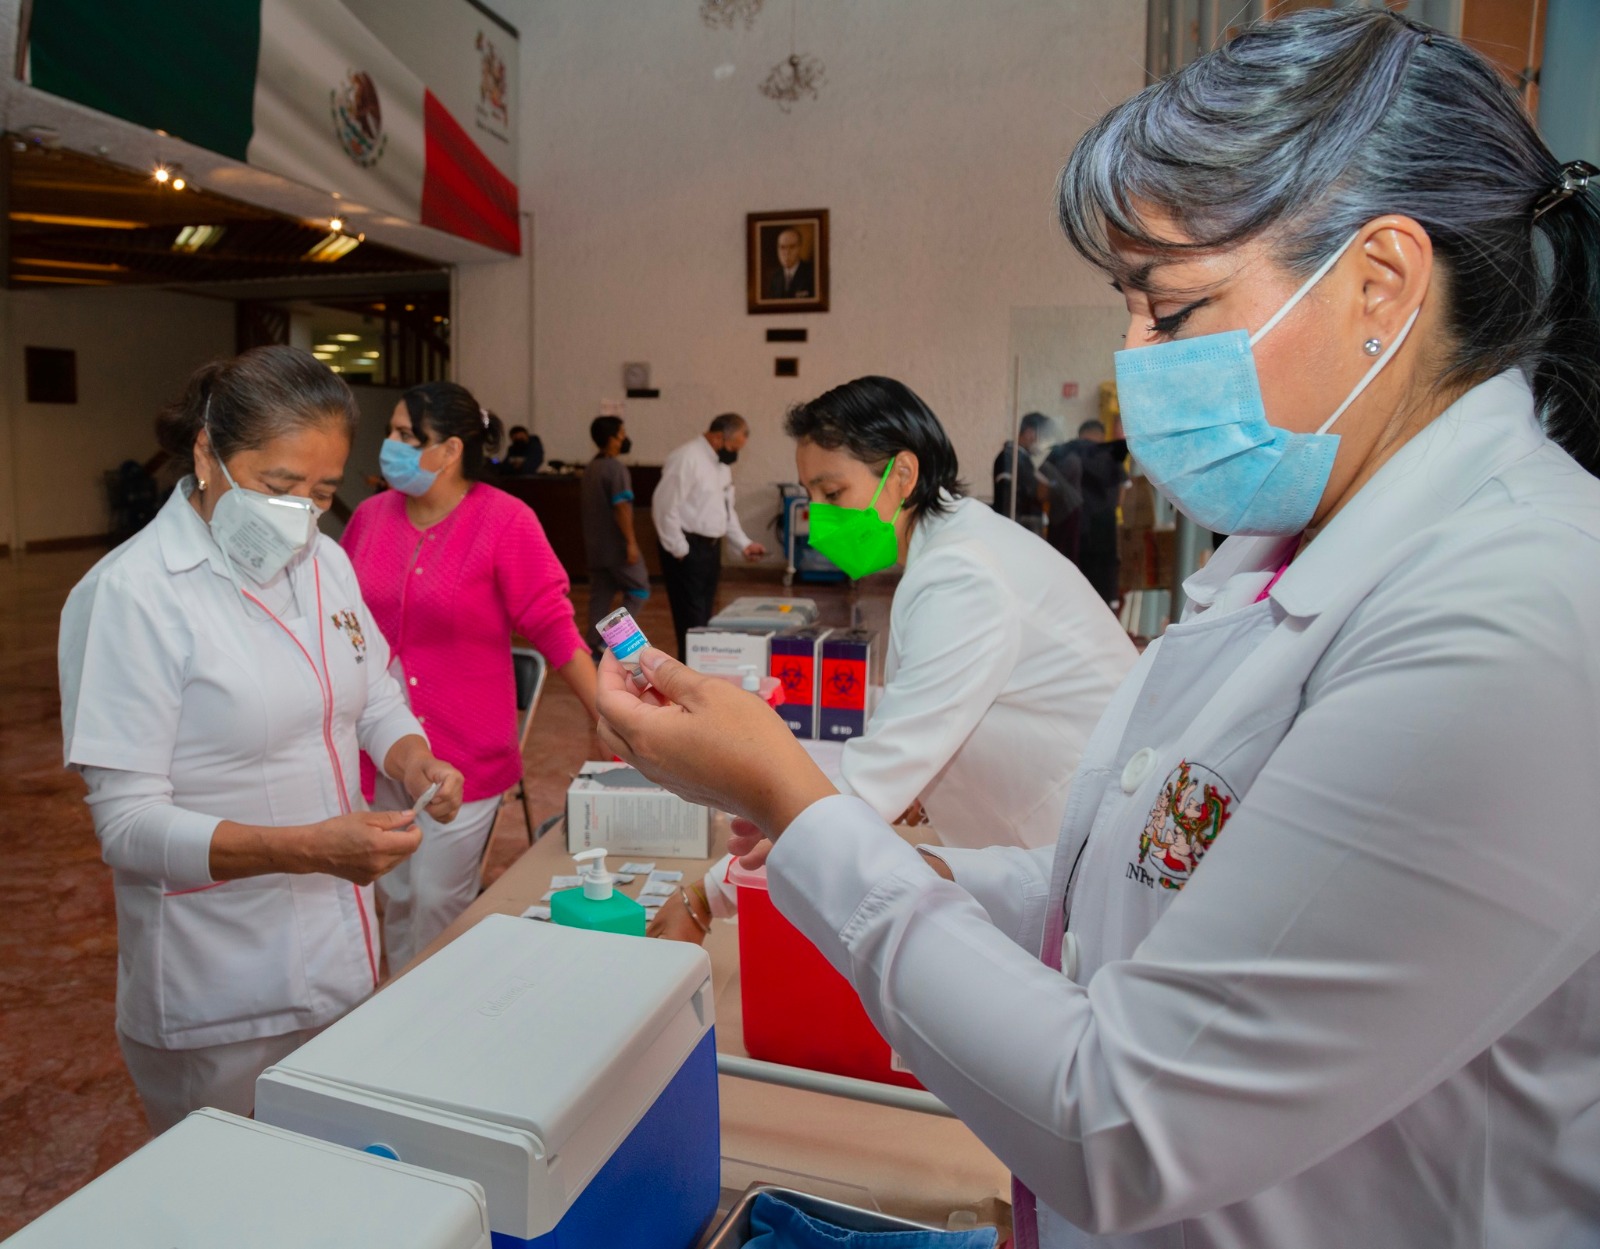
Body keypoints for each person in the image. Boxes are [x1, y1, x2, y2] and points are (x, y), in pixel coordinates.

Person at [595, 11, 1600, 1245]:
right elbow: (1124, 885)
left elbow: (1126, 1119)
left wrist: (788, 802)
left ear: (1379, 284)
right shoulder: (1284, 556)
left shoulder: (1517, 613)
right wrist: (900, 862)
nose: (1132, 361)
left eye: (1167, 313)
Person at [58, 346, 465, 1133]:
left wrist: (412, 757)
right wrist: (307, 847)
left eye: (323, 491)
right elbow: (129, 826)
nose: (299, 513)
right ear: (206, 454)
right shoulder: (130, 596)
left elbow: (374, 690)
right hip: (218, 990)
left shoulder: (325, 563)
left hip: (340, 958)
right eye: (278, 486)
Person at [651, 377, 1135, 942]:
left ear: (902, 475)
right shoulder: (954, 549)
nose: (818, 516)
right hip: (1052, 839)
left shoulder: (963, 573)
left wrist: (707, 896)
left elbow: (871, 782)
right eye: (811, 496)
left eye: (833, 493)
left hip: (1086, 854)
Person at [341, 381, 597, 968]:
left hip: (464, 747)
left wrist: (607, 715)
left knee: (437, 902)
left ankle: (433, 1006)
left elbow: (553, 624)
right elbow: (340, 614)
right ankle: (399, 1006)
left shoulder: (504, 521)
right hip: (375, 743)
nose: (390, 444)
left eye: (407, 435)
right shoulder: (372, 517)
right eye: (391, 432)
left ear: (451, 449)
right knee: (394, 895)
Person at [652, 413, 767, 657]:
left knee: (704, 616)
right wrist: (680, 550)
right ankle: (687, 670)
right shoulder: (687, 459)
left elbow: (726, 510)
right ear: (717, 437)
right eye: (733, 448)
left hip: (711, 548)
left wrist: (743, 543)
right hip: (687, 547)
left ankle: (698, 667)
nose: (734, 454)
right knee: (690, 619)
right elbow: (664, 507)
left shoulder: (721, 465)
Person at [581, 415, 650, 653]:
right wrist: (631, 542)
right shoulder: (615, 469)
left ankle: (592, 647)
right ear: (612, 439)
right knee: (640, 589)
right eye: (621, 434)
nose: (625, 438)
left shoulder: (591, 468)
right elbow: (621, 508)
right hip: (616, 547)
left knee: (601, 594)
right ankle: (610, 640)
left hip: (595, 548)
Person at [1046, 419, 1128, 603]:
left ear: (1080, 433)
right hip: (1103, 536)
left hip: (1068, 532)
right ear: (1101, 436)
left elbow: (1044, 488)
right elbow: (1121, 499)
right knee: (1098, 597)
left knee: (1066, 592)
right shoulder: (1111, 455)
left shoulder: (1063, 452)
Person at [992, 412, 1052, 535]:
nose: (1043, 442)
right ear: (1029, 433)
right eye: (1043, 436)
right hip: (1014, 530)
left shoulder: (1022, 459)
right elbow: (1007, 500)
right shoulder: (1009, 458)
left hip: (1022, 528)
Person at [764, 227, 815, 300]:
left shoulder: (812, 274)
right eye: (782, 247)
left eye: (792, 247)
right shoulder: (775, 278)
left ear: (800, 248)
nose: (787, 252)